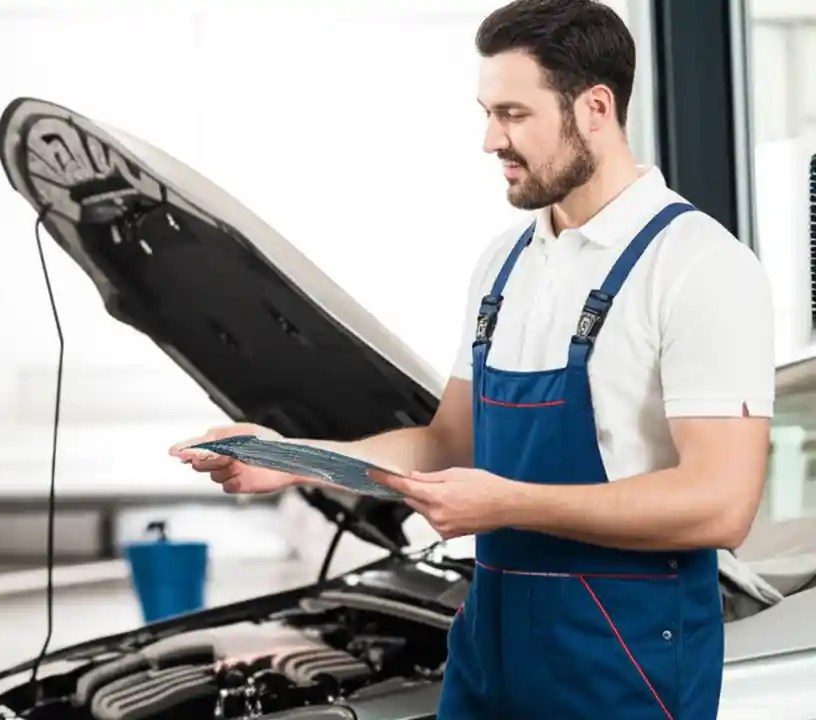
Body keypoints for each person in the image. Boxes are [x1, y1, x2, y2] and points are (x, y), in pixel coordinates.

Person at [172, 1, 774, 718]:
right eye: (488, 112)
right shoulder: (506, 263)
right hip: (490, 659)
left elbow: (721, 504)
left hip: (623, 670)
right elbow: (444, 443)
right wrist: (296, 458)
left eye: (514, 114)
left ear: (595, 108)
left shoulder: (699, 267)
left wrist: (508, 503)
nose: (491, 139)